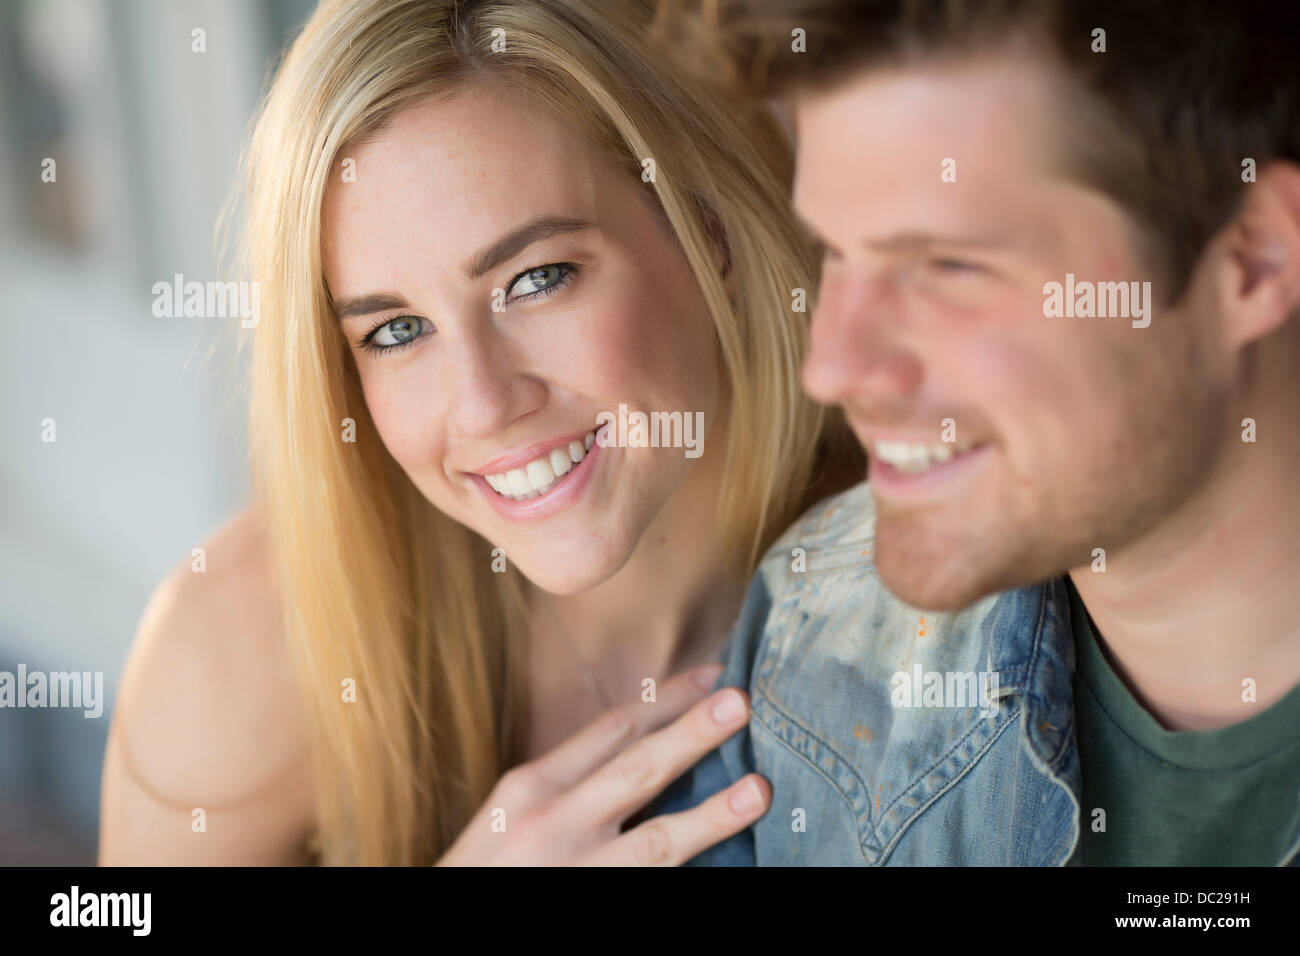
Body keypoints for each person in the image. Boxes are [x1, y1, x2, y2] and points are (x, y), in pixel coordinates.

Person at [99, 0, 861, 865]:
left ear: (709, 234)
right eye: (394, 331)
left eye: (535, 279)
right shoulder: (243, 642)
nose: (483, 407)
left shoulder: (939, 554)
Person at [652, 0, 1300, 865]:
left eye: (947, 266)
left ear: (1253, 258)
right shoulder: (814, 639)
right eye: (838, 254)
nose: (834, 368)